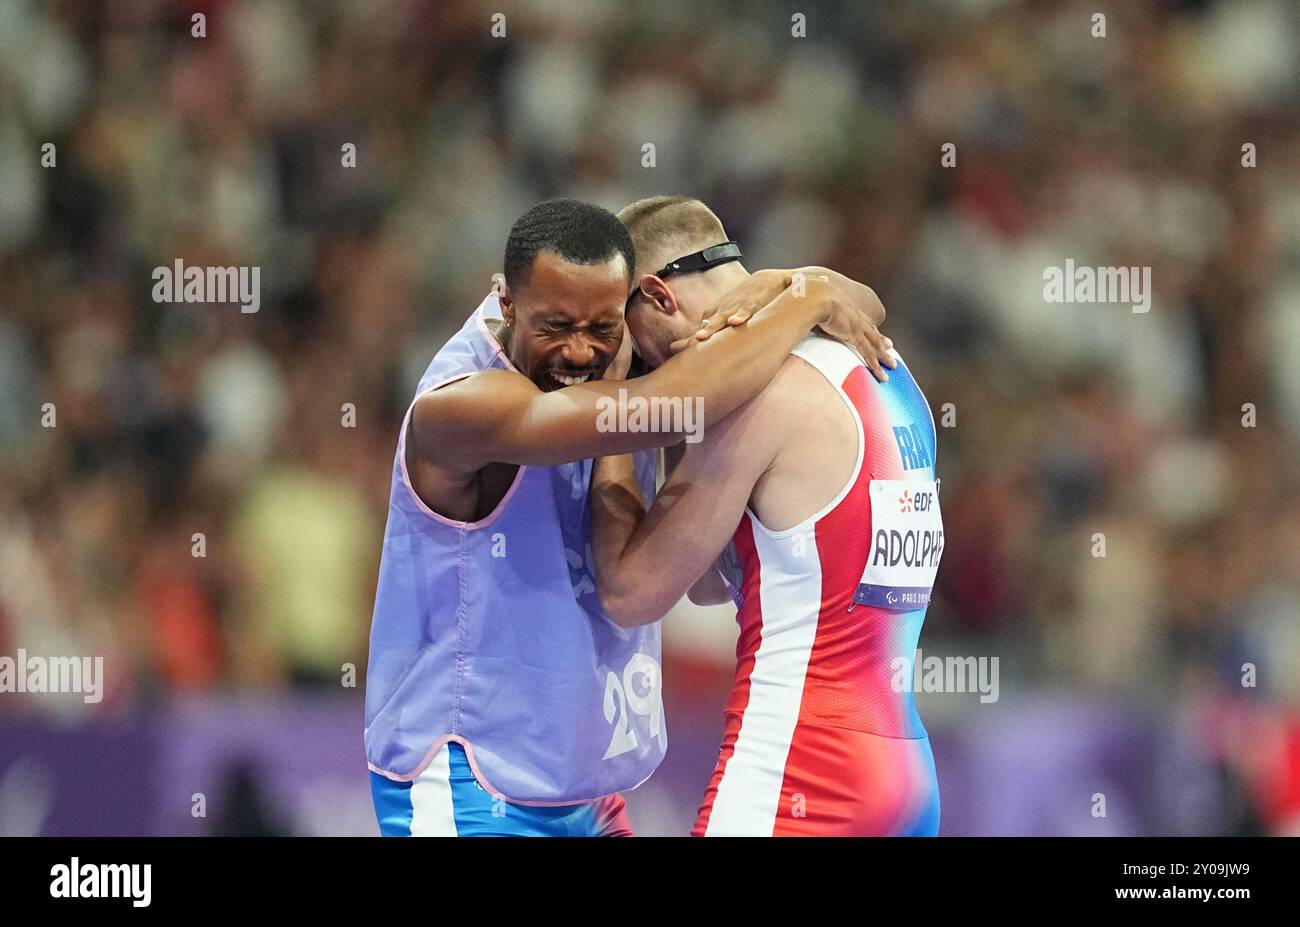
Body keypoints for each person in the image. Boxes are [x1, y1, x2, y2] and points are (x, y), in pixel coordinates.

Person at [365, 198, 894, 836]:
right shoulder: (463, 407)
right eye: (555, 325)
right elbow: (675, 404)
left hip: (590, 789)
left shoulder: (627, 353)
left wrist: (819, 284)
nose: (580, 352)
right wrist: (807, 295)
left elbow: (865, 311)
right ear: (507, 303)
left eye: (602, 327)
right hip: (474, 782)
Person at [591, 196, 942, 836]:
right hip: (903, 777)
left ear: (657, 296)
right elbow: (704, 581)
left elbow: (631, 592)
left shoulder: (756, 401)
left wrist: (615, 410)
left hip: (799, 770)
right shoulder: (881, 362)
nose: (649, 372)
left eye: (635, 349)